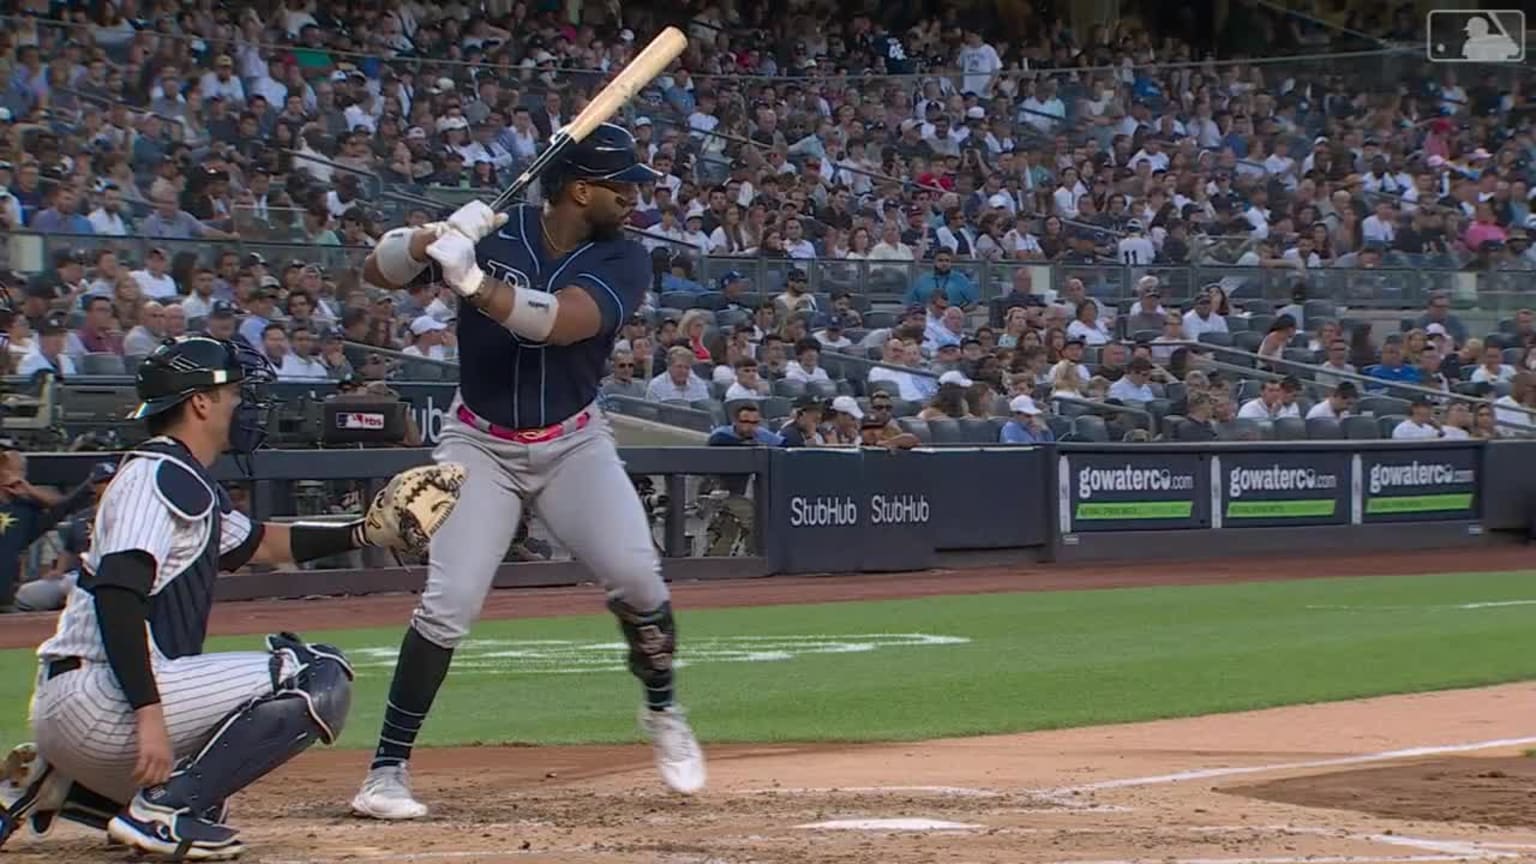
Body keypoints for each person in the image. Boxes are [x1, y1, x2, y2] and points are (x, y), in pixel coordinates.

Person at [351, 123, 707, 820]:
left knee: (637, 577)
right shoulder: (494, 232)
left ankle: (663, 709)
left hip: (574, 443)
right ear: (580, 190)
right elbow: (376, 271)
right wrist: (430, 239)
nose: (634, 199)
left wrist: (474, 282)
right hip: (478, 443)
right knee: (449, 602)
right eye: (621, 187)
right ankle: (386, 770)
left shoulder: (624, 258)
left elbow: (564, 323)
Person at [0, 337, 463, 860]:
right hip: (104, 700)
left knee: (212, 799)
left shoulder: (177, 475)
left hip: (79, 709)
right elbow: (118, 594)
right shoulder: (156, 476)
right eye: (235, 393)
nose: (242, 405)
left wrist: (364, 531)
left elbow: (260, 541)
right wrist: (148, 713)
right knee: (318, 675)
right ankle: (164, 812)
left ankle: (54, 785)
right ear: (200, 401)